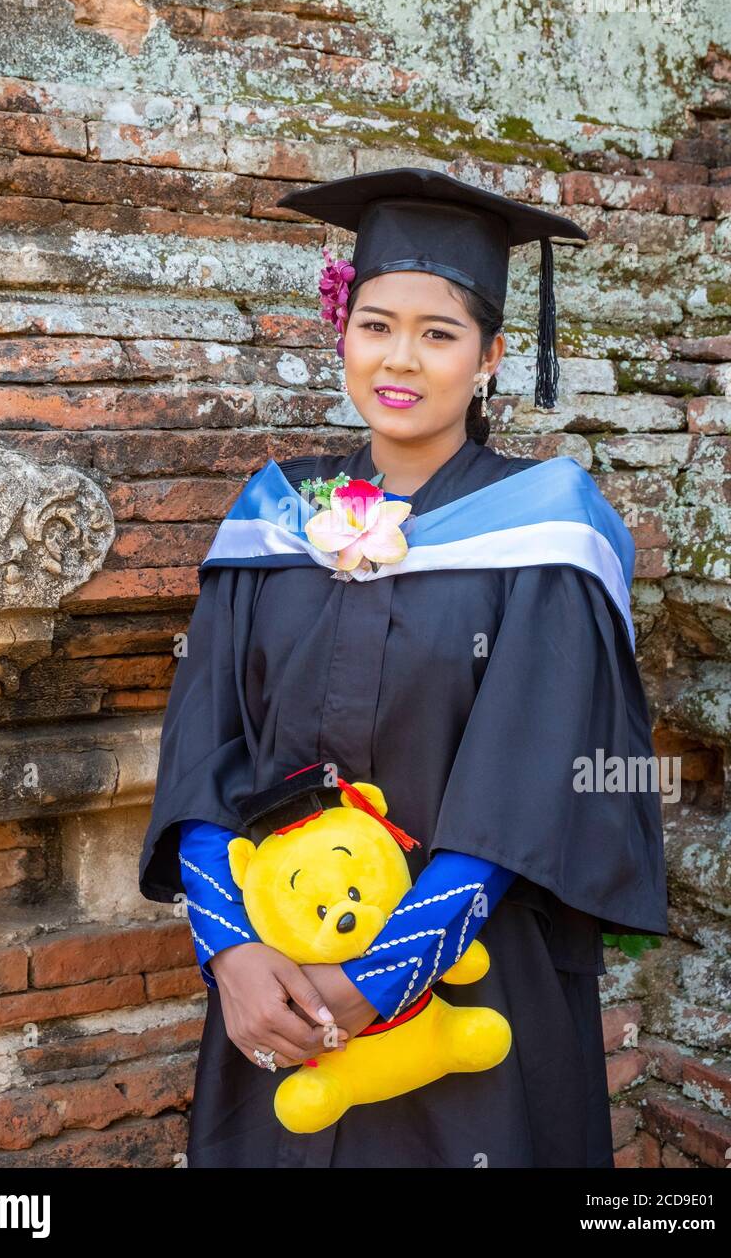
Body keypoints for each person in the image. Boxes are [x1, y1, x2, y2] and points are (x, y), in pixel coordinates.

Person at [138, 167, 669, 1168]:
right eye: (375, 324)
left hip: (474, 985)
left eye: (438, 333)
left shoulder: (544, 532)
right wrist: (232, 951)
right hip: (280, 989)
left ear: (490, 356)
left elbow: (527, 781)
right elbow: (202, 751)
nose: (399, 358)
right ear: (341, 332)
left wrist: (381, 976)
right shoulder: (275, 519)